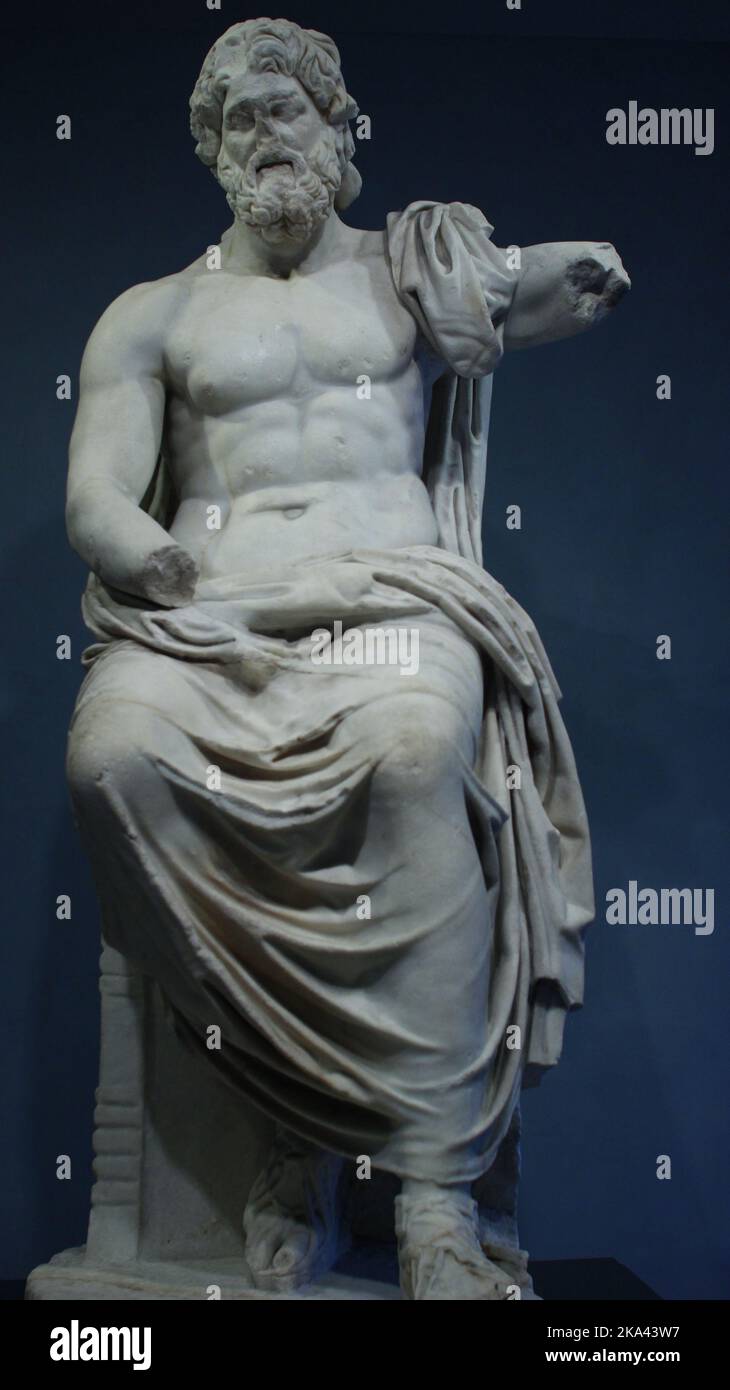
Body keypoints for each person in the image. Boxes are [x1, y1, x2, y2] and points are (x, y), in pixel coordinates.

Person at [65, 17, 629, 1300]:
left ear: (336, 128)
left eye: (291, 109)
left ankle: (429, 1192)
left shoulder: (408, 268)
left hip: (387, 609)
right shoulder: (152, 315)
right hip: (212, 618)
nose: (270, 133)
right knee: (110, 759)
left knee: (417, 750)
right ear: (213, 149)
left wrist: (572, 268)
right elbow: (97, 494)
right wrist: (167, 572)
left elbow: (518, 291)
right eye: (242, 117)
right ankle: (293, 1120)